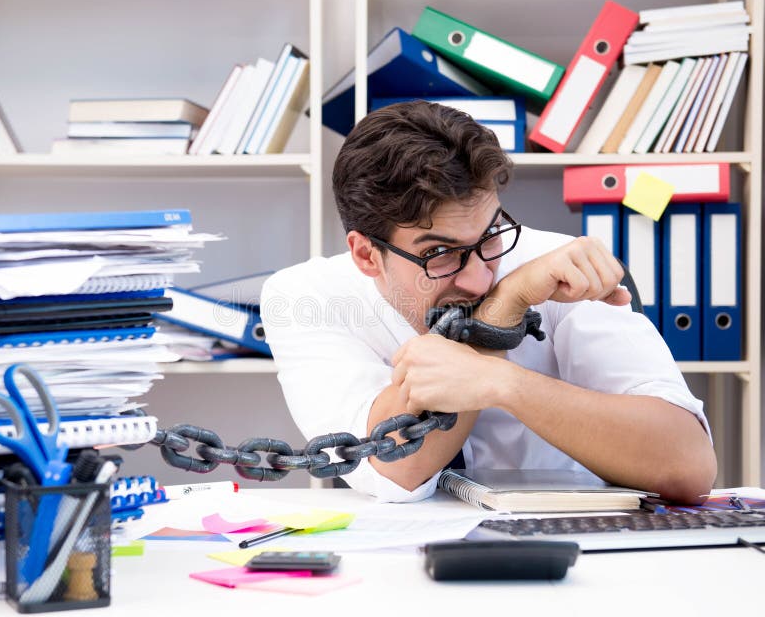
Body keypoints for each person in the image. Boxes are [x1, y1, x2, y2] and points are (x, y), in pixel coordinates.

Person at [261, 100, 716, 504]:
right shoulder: (304, 296)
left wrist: (503, 382)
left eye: (491, 235)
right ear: (366, 254)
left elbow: (689, 468)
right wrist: (501, 311)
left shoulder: (557, 267)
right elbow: (395, 468)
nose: (479, 278)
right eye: (439, 253)